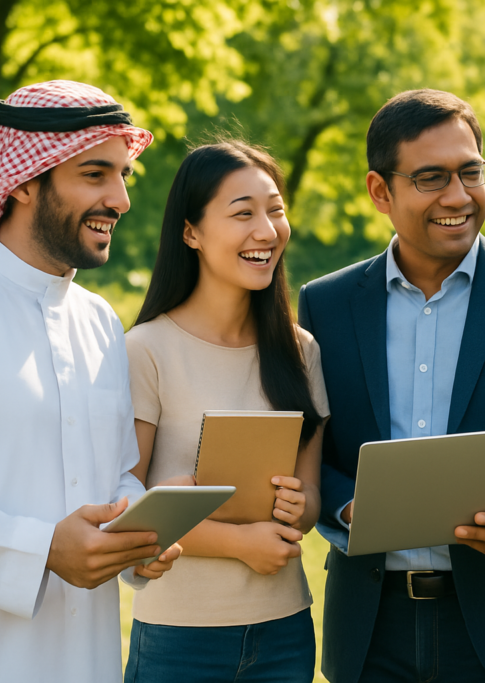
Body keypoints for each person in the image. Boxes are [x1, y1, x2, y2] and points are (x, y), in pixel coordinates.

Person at [298, 89, 485, 683]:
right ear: (379, 191)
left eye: (471, 172)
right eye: (431, 177)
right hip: (369, 630)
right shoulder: (326, 305)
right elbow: (317, 455)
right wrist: (346, 507)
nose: (459, 196)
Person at [0, 80, 183, 683]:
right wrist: (42, 551)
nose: (120, 199)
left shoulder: (98, 321)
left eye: (124, 176)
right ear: (25, 182)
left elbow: (114, 477)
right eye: (96, 174)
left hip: (86, 660)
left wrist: (142, 530)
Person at [122, 140, 330, 683]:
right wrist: (240, 543)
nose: (267, 230)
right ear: (191, 232)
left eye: (275, 210)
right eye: (243, 213)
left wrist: (295, 506)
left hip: (285, 630)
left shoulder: (300, 349)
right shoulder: (146, 349)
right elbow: (130, 508)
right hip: (178, 637)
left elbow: (310, 504)